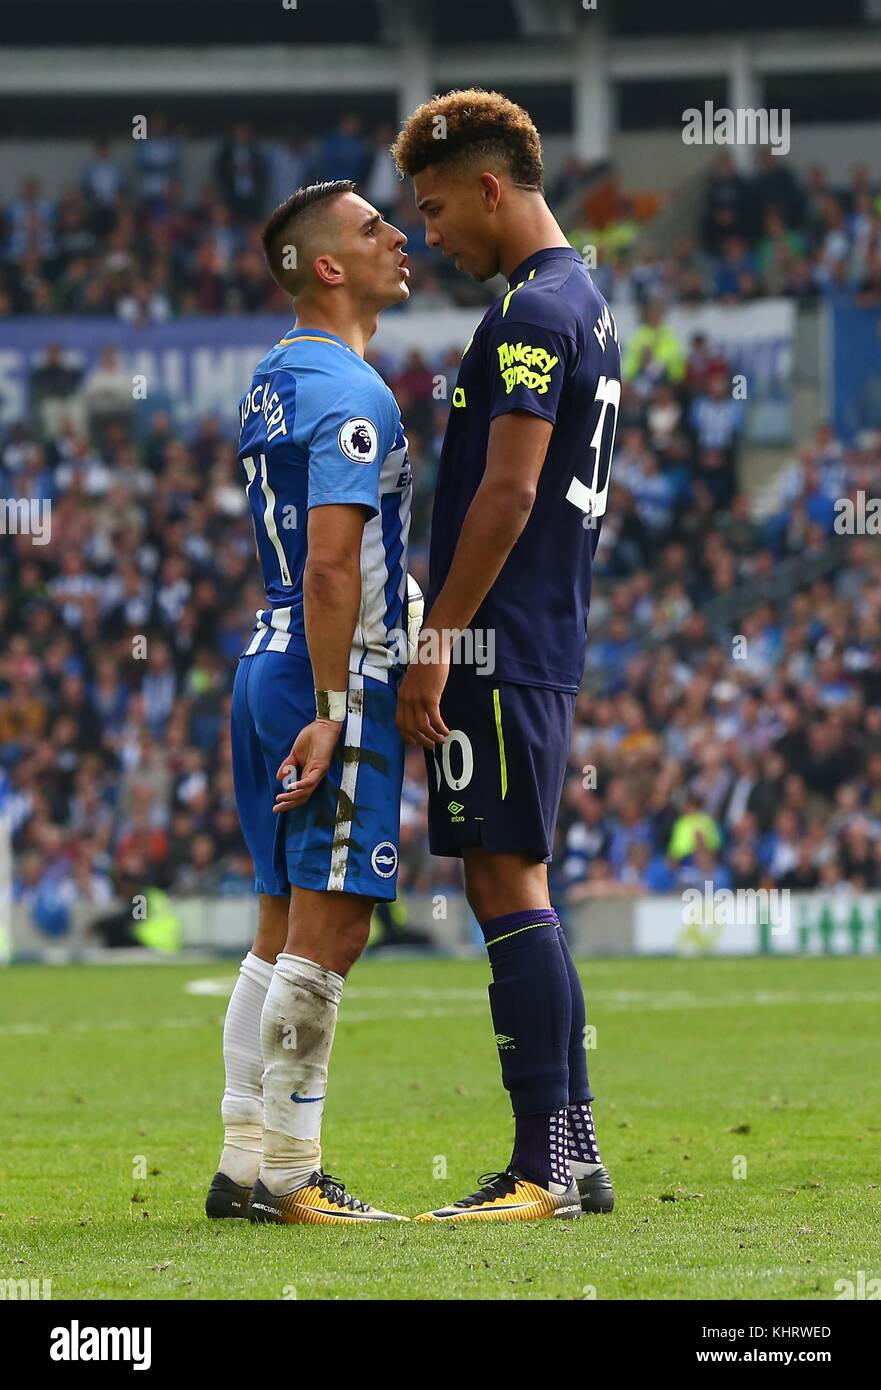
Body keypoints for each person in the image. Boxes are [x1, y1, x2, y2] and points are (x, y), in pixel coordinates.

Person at [392, 90, 616, 1222]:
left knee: (503, 881)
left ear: (490, 186)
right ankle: (567, 1154)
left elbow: (511, 489)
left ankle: (545, 1165)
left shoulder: (532, 314)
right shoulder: (583, 299)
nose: (426, 234)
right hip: (532, 635)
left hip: (498, 637)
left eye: (434, 209)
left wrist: (438, 641)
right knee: (511, 878)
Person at [206, 179, 414, 1225]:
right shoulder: (350, 390)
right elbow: (335, 569)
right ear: (327, 265)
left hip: (265, 657)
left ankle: (244, 1153)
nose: (399, 237)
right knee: (329, 932)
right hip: (327, 668)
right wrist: (336, 704)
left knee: (279, 923)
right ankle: (293, 1175)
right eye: (376, 228)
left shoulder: (271, 377)